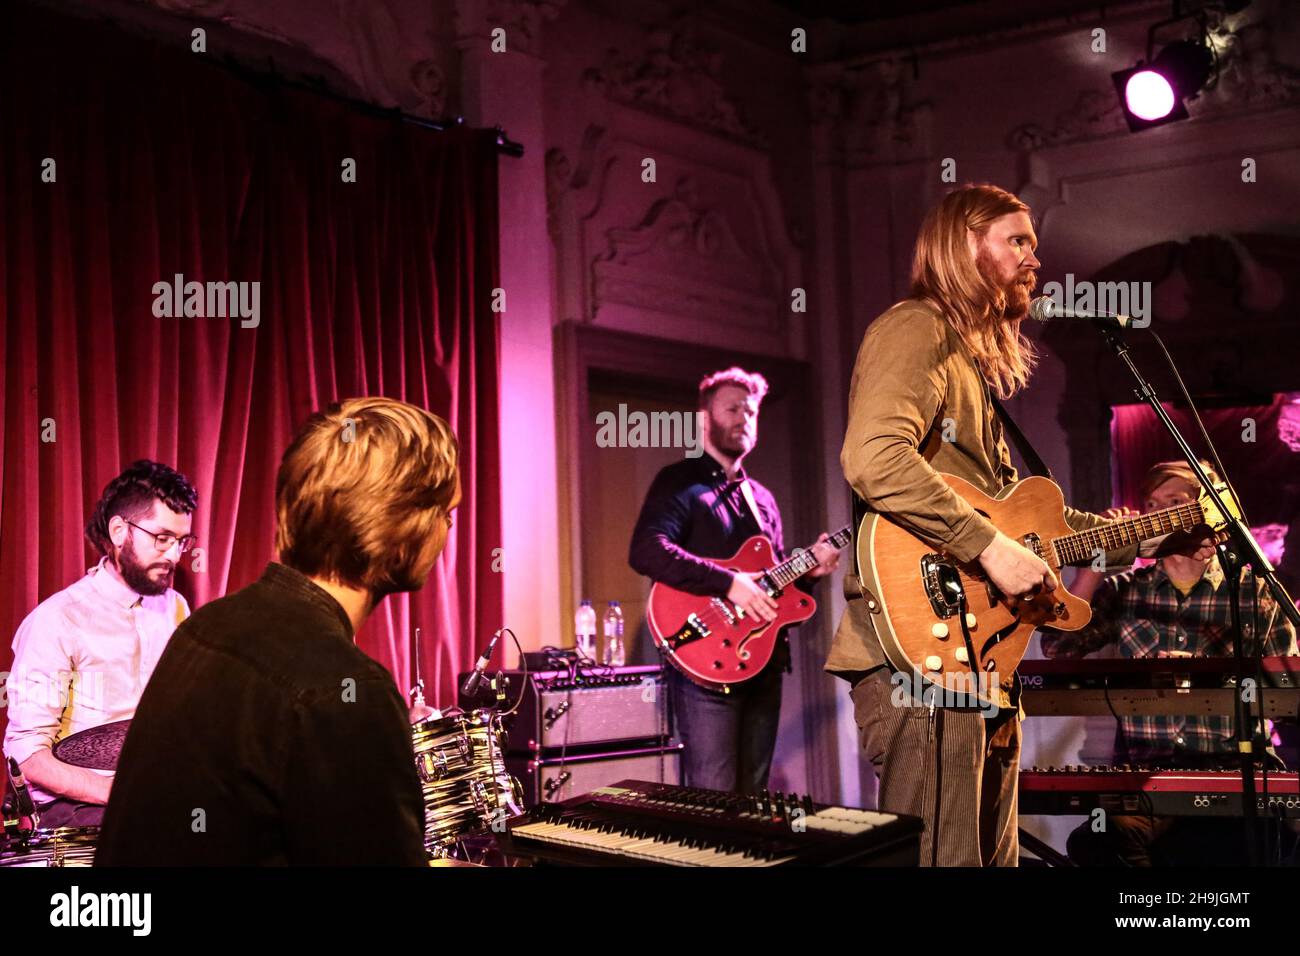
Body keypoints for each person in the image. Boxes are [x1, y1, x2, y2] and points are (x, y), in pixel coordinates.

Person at [825, 184, 1216, 866]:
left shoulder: (971, 368)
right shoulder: (916, 328)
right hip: (923, 651)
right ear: (962, 246)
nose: (1034, 258)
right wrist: (986, 547)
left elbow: (1029, 523)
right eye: (1017, 241)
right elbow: (872, 455)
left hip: (982, 656)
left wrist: (1141, 534)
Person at [96, 397, 459, 865]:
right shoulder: (345, 689)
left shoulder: (207, 626)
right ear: (399, 526)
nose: (447, 532)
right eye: (445, 515)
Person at [1042, 459, 1297, 866]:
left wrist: (1206, 675)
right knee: (1098, 842)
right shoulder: (1126, 590)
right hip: (1147, 779)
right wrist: (1096, 561)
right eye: (1152, 504)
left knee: (1274, 840)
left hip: (1234, 774)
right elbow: (1056, 647)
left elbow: (1289, 700)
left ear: (1205, 512)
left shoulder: (1255, 593)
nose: (1159, 514)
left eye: (1174, 501)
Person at [629, 367, 839, 794]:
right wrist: (729, 583)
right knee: (714, 794)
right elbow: (646, 550)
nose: (744, 417)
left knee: (752, 797)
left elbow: (774, 599)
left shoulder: (762, 499)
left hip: (763, 666)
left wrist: (811, 575)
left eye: (752, 410)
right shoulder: (679, 481)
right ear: (705, 419)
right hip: (705, 663)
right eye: (732, 408)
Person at [4, 460, 197, 829]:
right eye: (162, 539)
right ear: (120, 530)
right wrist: (124, 792)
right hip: (76, 807)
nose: (174, 555)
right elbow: (26, 753)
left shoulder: (176, 608)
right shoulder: (57, 619)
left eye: (182, 542)